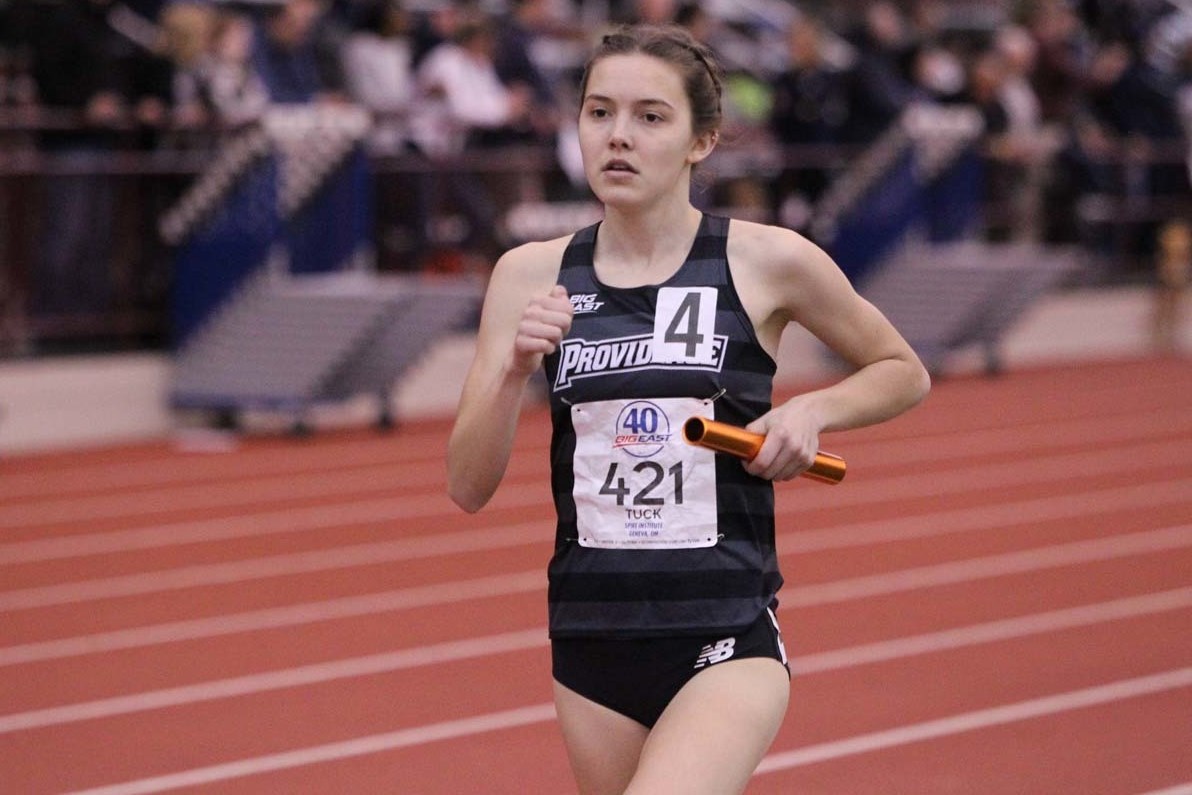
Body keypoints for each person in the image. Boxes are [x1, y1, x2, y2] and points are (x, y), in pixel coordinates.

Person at [446, 23, 930, 795]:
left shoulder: (766, 259)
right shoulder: (530, 274)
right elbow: (467, 485)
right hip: (591, 639)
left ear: (702, 140)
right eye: (598, 112)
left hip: (723, 628)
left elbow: (902, 369)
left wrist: (812, 412)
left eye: (649, 117)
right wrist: (512, 372)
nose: (618, 138)